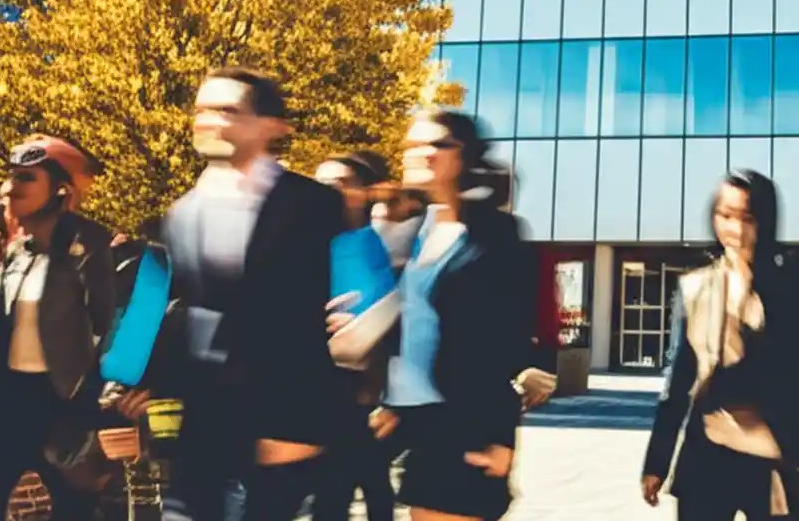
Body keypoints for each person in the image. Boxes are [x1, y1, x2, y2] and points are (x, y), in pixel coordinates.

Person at [149, 67, 353, 520]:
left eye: (227, 111)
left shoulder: (315, 206)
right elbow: (164, 305)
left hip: (283, 421)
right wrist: (132, 377)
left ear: (271, 126)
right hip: (204, 420)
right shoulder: (180, 213)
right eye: (202, 110)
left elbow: (363, 294)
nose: (208, 120)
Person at [328, 110, 537, 521]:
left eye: (438, 143)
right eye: (413, 144)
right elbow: (415, 323)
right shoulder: (420, 229)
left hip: (468, 421)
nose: (421, 152)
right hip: (418, 420)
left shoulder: (497, 235)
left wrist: (501, 437)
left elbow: (504, 342)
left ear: (465, 157)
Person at [641, 169, 799, 520]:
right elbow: (679, 379)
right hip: (707, 455)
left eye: (748, 218)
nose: (736, 229)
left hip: (774, 453)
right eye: (725, 216)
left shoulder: (797, 286)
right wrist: (657, 461)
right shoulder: (697, 288)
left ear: (766, 221)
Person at [0, 135, 116, 519]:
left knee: (76, 508)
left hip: (62, 403)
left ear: (60, 190)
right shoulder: (13, 251)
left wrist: (105, 394)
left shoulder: (89, 245)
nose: (8, 187)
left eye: (26, 178)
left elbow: (109, 323)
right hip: (3, 401)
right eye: (10, 177)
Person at [314, 149, 399, 521]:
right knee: (345, 486)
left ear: (364, 192)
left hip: (365, 391)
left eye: (342, 183)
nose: (330, 191)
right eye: (322, 184)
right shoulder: (306, 243)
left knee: (363, 485)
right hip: (320, 389)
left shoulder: (379, 241)